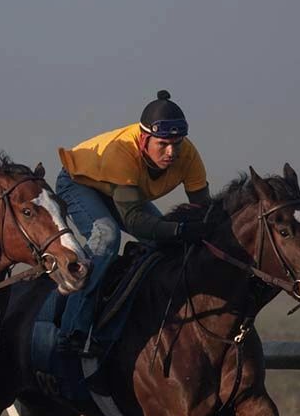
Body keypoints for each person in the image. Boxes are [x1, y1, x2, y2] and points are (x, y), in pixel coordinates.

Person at [55, 90, 212, 355]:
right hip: (78, 182)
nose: (172, 152)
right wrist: (182, 229)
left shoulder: (189, 155)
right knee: (107, 235)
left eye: (177, 143)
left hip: (121, 190)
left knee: (163, 243)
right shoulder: (123, 151)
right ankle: (72, 331)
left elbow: (204, 211)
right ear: (143, 140)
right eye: (163, 144)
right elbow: (136, 222)